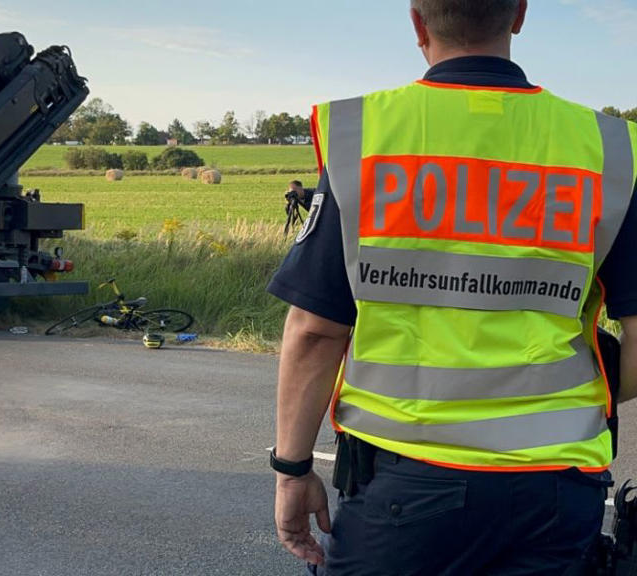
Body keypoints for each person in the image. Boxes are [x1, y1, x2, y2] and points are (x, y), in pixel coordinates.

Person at [267, 1, 637, 574]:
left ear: (418, 23)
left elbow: (316, 330)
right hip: (557, 489)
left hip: (403, 484)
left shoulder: (365, 135)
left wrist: (292, 470)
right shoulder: (608, 147)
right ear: (518, 14)